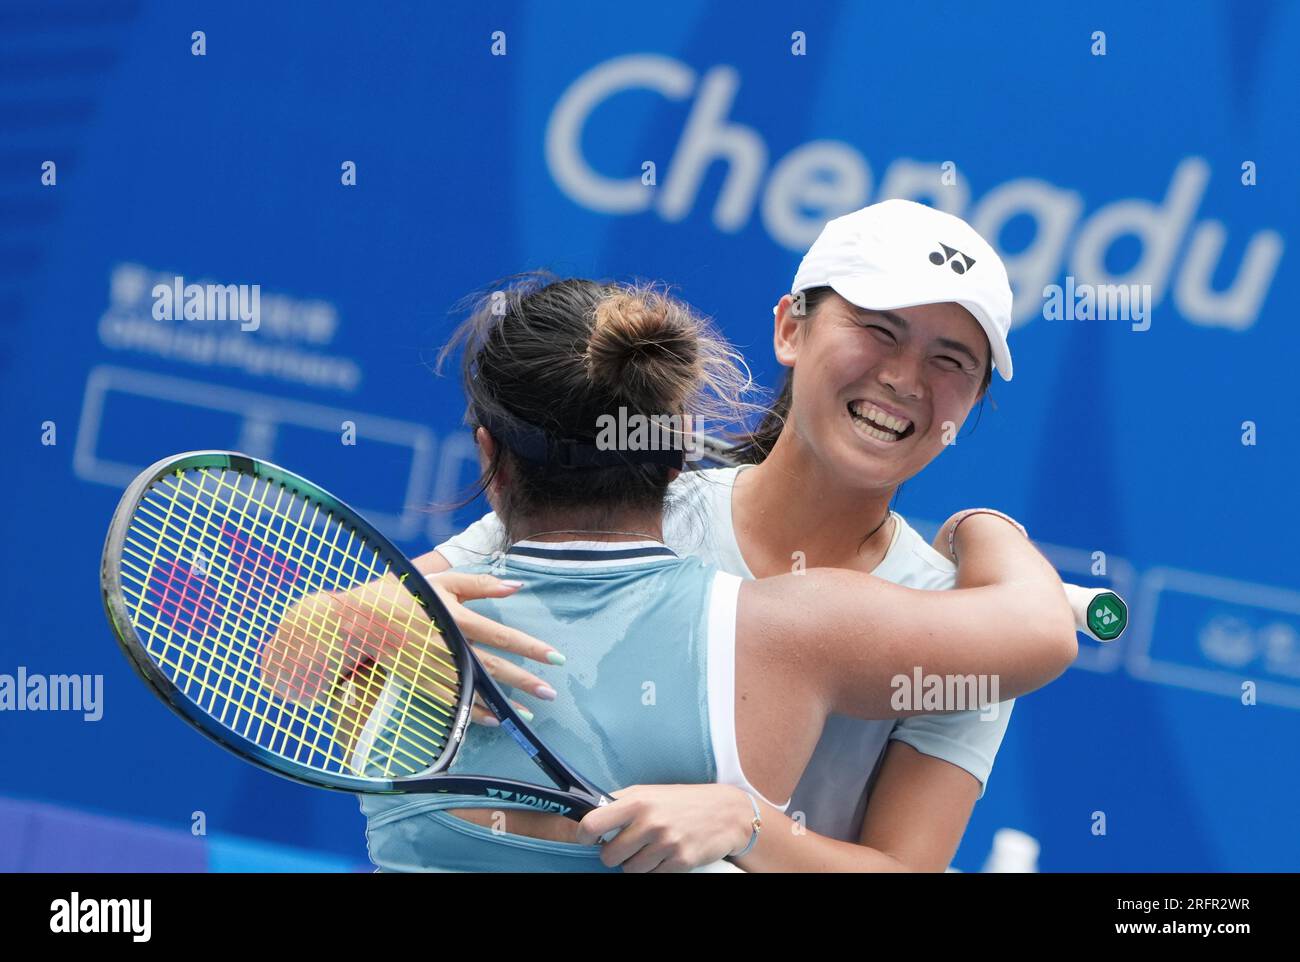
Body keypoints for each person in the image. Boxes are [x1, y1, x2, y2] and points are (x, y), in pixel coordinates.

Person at [333, 266, 1074, 872]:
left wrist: (748, 828)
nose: (905, 377)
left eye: (952, 360)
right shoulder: (870, 621)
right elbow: (1042, 630)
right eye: (878, 330)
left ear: (491, 456)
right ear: (791, 327)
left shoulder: (481, 576)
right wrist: (988, 529)